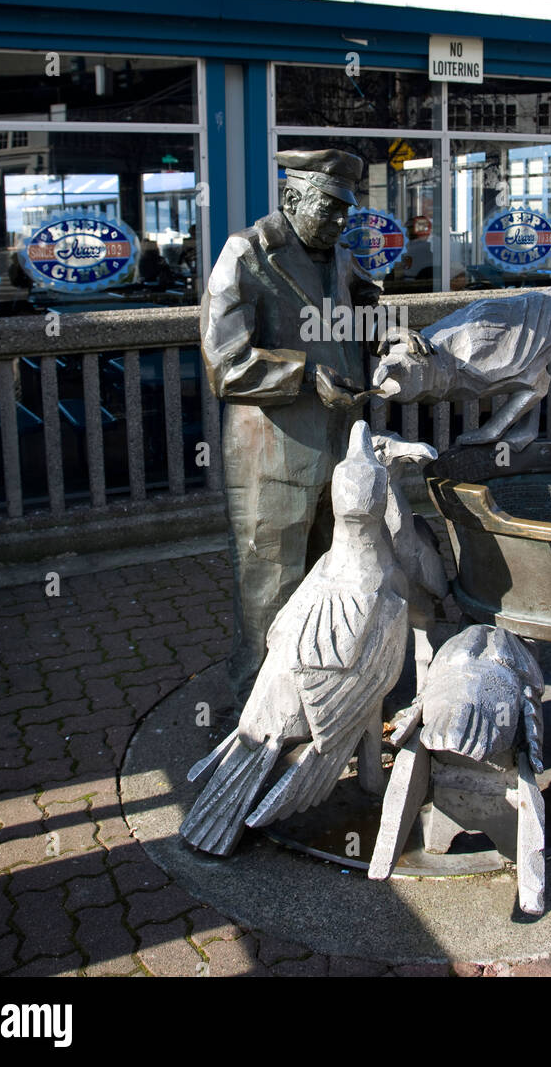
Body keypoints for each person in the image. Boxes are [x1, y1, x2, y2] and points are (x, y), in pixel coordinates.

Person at [202, 149, 384, 708]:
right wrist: (305, 376)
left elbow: (358, 320)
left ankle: (324, 690)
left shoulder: (342, 258)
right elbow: (224, 361)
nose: (338, 223)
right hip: (273, 451)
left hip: (343, 445)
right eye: (328, 209)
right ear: (292, 199)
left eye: (346, 213)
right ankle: (253, 712)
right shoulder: (248, 253)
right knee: (270, 586)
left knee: (337, 574)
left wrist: (386, 326)